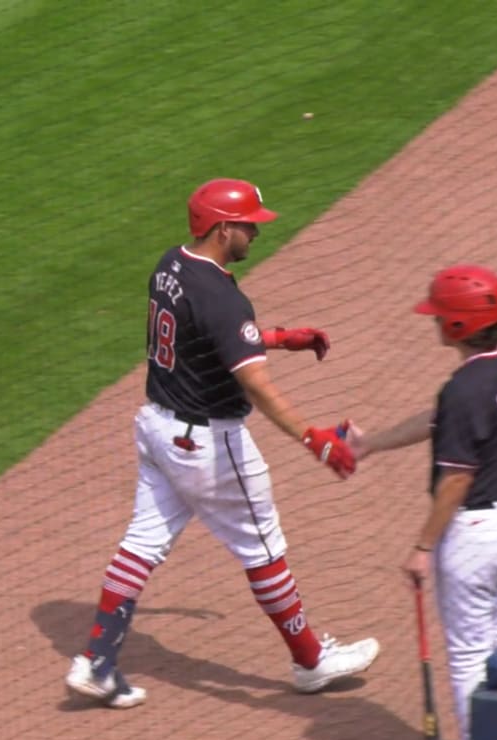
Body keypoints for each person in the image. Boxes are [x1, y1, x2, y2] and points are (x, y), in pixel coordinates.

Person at [65, 178, 380, 709]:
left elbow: (203, 337)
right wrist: (313, 438)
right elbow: (254, 382)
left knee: (141, 543)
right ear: (221, 228)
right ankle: (310, 661)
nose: (256, 233)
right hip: (210, 446)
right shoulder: (223, 296)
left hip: (157, 430)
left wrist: (277, 337)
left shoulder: (170, 266)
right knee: (263, 550)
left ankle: (97, 662)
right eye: (249, 225)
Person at [345, 264, 497, 740]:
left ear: (459, 326)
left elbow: (456, 479)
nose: (434, 322)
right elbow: (442, 417)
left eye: (440, 315)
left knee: (470, 657)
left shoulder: (464, 389)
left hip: (477, 538)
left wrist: (422, 547)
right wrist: (372, 442)